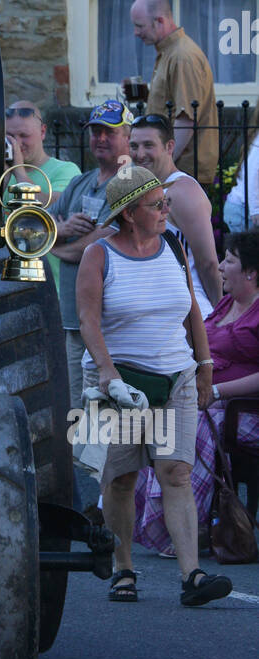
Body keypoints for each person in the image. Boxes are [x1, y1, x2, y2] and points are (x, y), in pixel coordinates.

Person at [76, 164, 232, 605]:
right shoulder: (99, 256)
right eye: (157, 204)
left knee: (176, 473)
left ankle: (193, 576)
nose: (167, 209)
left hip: (175, 377)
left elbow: (191, 312)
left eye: (166, 201)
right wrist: (107, 374)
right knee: (121, 478)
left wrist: (204, 365)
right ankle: (124, 569)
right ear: (129, 213)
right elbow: (88, 321)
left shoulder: (172, 245)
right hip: (121, 384)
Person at [135, 229, 259, 551]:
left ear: (251, 272)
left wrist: (218, 393)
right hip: (207, 399)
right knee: (155, 415)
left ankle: (183, 526)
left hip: (243, 410)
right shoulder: (225, 306)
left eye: (228, 260)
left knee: (193, 425)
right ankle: (160, 517)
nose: (218, 267)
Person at [49, 100, 132, 409]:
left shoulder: (130, 182)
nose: (100, 138)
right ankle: (79, 460)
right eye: (95, 131)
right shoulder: (80, 182)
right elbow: (37, 227)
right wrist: (64, 227)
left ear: (127, 135)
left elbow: (101, 242)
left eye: (109, 132)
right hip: (73, 319)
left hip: (110, 324)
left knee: (110, 408)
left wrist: (56, 246)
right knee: (76, 408)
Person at [129, 113, 222, 318]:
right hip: (152, 307)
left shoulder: (183, 191)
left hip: (188, 310)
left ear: (169, 147)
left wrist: (218, 315)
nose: (140, 154)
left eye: (148, 145)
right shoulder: (141, 189)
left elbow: (208, 263)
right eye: (134, 146)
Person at [126, 0, 217, 183]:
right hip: (174, 168)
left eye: (139, 26)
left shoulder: (181, 56)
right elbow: (171, 105)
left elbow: (186, 118)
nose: (136, 32)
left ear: (160, 21)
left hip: (182, 171)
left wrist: (163, 165)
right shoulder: (169, 52)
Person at [3, 100, 81, 290]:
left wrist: (19, 170)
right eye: (10, 137)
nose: (17, 144)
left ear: (43, 132)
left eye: (24, 136)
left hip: (52, 286)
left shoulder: (65, 170)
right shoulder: (2, 174)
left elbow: (51, 208)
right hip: (9, 283)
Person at [223, 97, 259, 231]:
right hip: (244, 211)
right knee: (245, 252)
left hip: (244, 209)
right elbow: (252, 173)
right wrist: (256, 209)